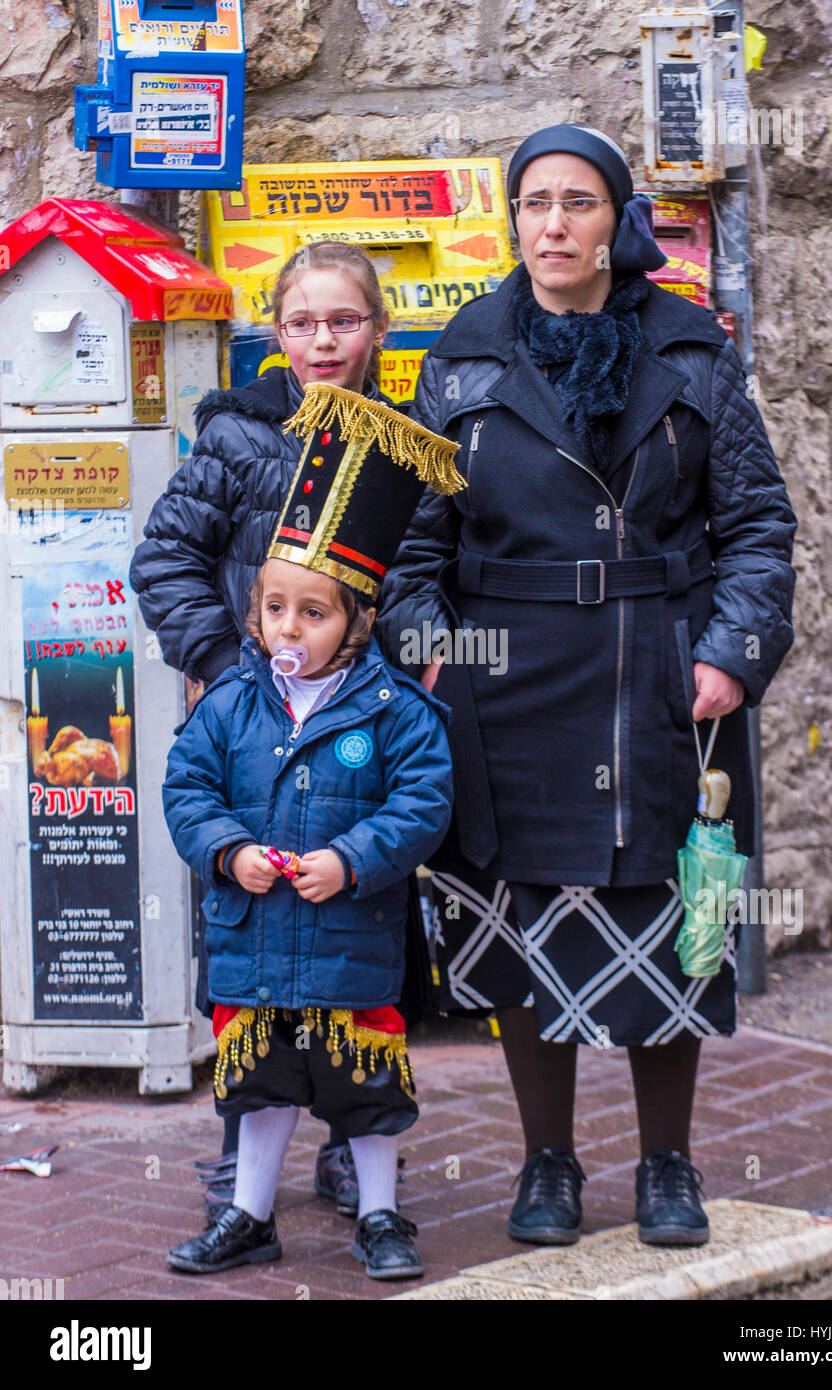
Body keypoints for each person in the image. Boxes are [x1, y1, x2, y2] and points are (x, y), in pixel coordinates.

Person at [377, 124, 797, 1248]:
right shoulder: (461, 358)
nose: (551, 224)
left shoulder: (692, 351)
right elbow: (409, 551)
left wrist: (728, 652)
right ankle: (546, 1165)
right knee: (524, 927)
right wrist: (426, 651)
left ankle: (667, 1166)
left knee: (670, 923)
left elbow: (755, 525)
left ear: (618, 222)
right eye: (532, 204)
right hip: (504, 688)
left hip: (653, 675)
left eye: (575, 203)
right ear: (512, 221)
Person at [160, 383, 462, 1278]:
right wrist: (226, 850)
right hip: (253, 936)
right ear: (254, 612)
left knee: (365, 1086)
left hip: (349, 937)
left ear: (359, 622)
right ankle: (250, 1213)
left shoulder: (397, 710)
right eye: (276, 607)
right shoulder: (228, 704)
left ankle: (379, 1216)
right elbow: (188, 788)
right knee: (256, 1082)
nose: (291, 625)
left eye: (316, 611)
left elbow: (421, 805)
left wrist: (350, 860)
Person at [129, 242, 394, 1217]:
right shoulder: (239, 440)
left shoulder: (402, 442)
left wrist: (416, 655)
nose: (323, 341)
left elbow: (426, 573)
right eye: (302, 323)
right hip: (253, 737)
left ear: (377, 329)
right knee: (251, 937)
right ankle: (244, 1148)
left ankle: (348, 1135)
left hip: (357, 737)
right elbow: (164, 560)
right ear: (274, 334)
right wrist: (215, 664)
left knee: (353, 938)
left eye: (343, 321)